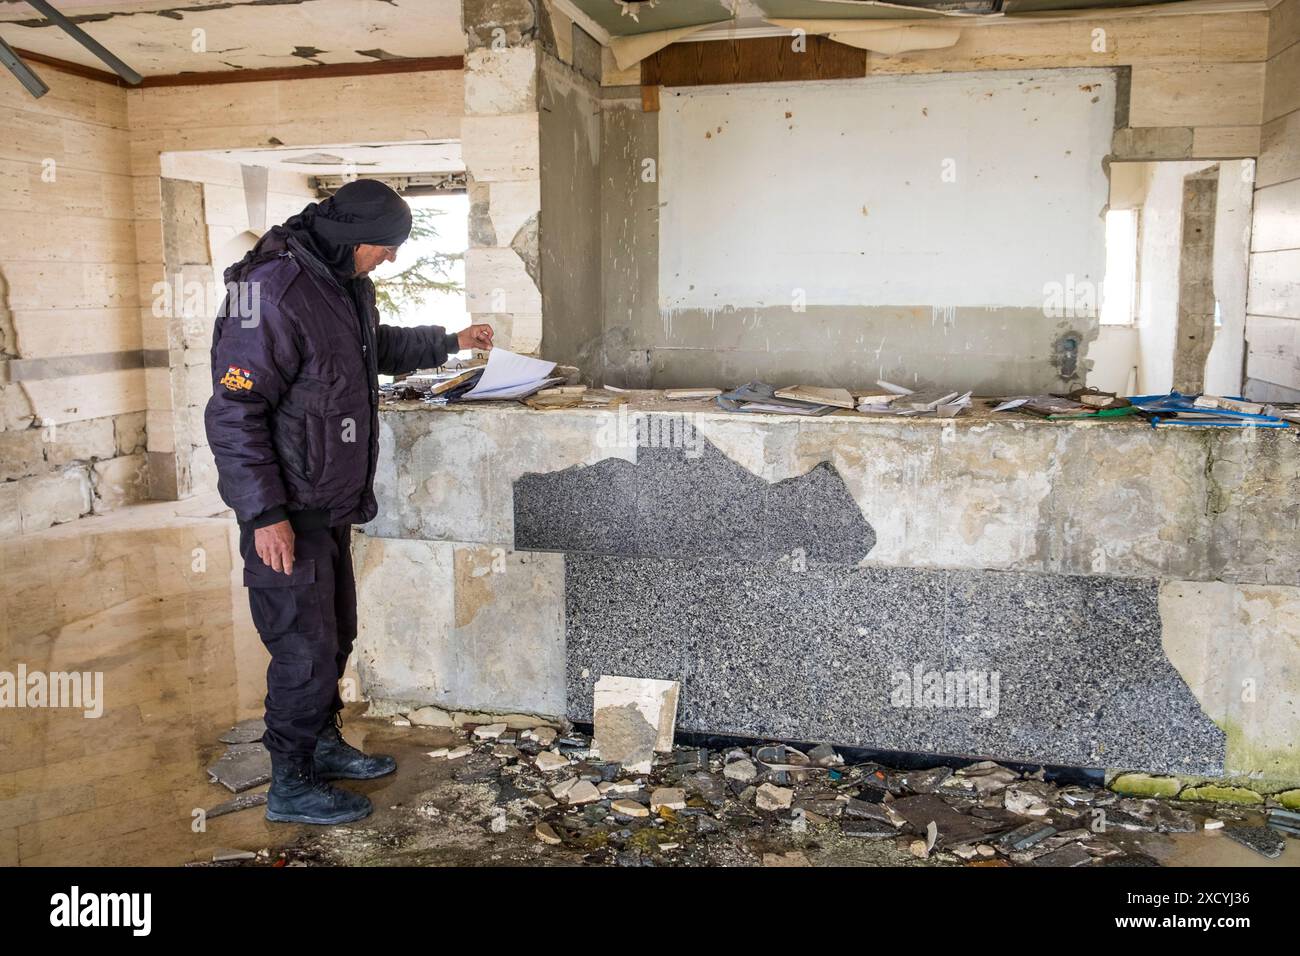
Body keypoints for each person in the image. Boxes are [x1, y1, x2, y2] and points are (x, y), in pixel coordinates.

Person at [205, 179, 493, 825]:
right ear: (348, 238)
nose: (388, 260)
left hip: (329, 501)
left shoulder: (337, 280)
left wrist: (451, 339)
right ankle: (291, 781)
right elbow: (233, 412)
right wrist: (263, 515)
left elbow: (372, 347)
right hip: (288, 509)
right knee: (302, 650)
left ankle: (323, 743)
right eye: (381, 248)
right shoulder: (269, 292)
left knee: (335, 637)